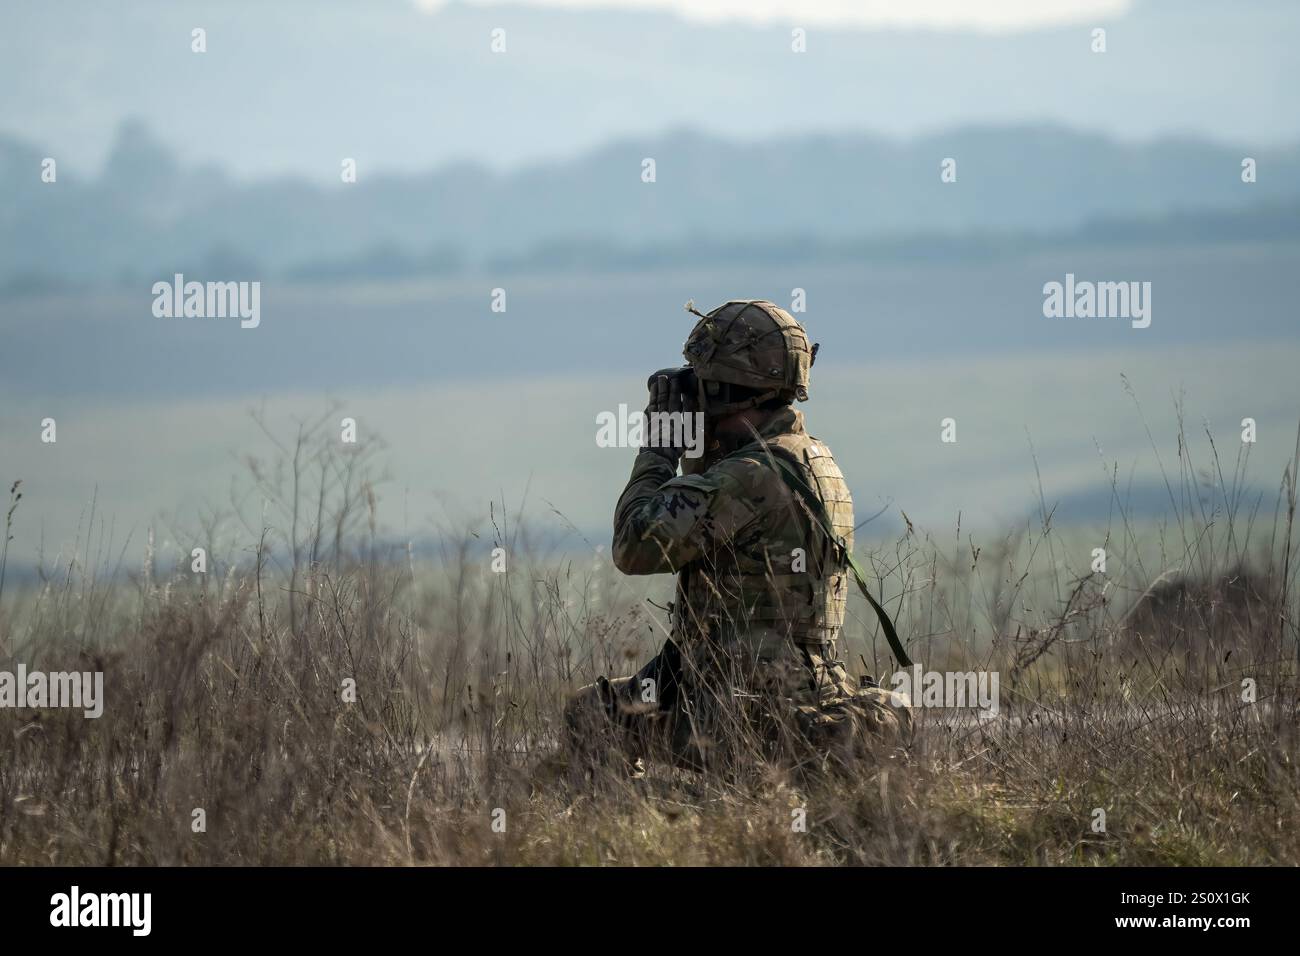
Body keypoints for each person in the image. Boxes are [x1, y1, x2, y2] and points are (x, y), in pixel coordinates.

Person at [565, 299, 912, 776]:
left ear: (727, 390)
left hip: (751, 711)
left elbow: (634, 546)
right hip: (800, 687)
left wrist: (657, 451)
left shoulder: (749, 475)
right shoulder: (811, 459)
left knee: (592, 717)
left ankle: (649, 826)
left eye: (700, 383)